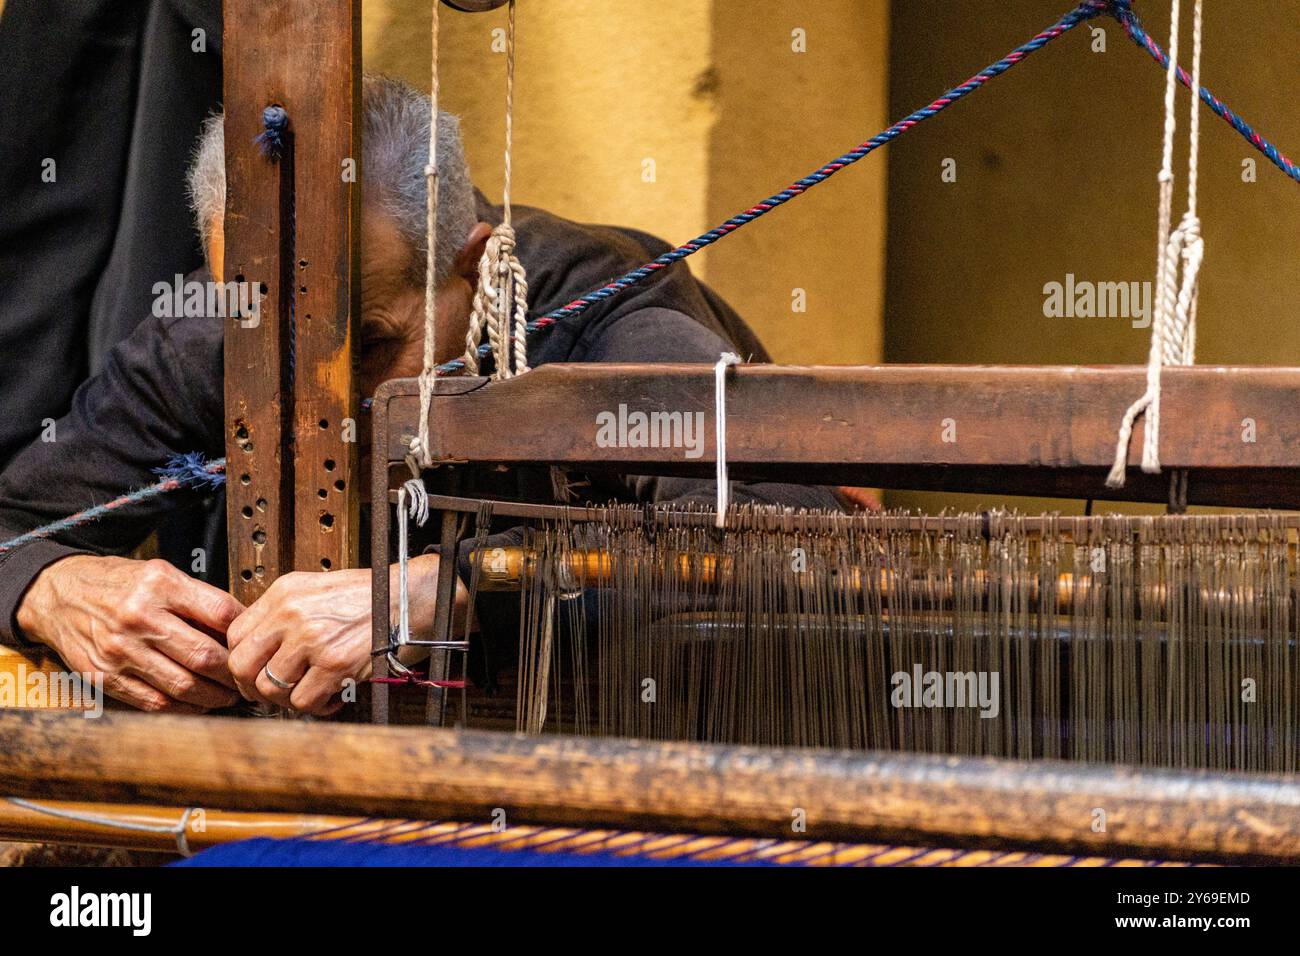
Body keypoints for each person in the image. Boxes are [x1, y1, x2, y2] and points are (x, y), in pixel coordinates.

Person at [0, 74, 844, 717]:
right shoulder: (212, 335)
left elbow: (798, 547)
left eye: (367, 345)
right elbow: (13, 526)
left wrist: (452, 587)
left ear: (469, 265)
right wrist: (52, 587)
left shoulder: (606, 311)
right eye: (268, 353)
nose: (317, 397)